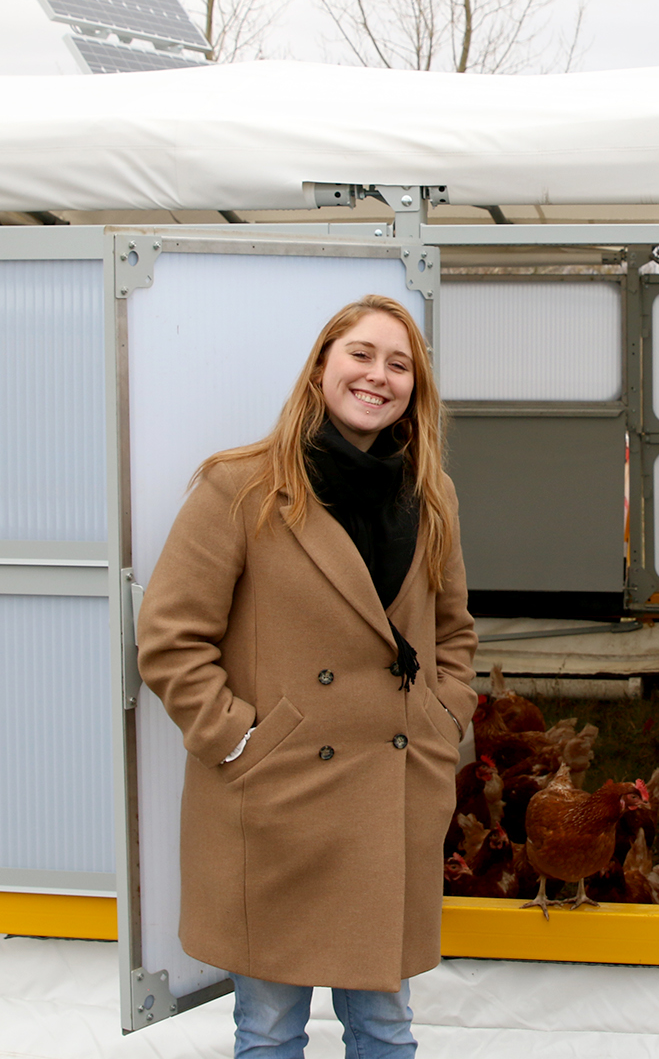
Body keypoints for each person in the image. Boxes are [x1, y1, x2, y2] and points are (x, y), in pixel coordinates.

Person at [137, 294, 478, 1059]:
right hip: (277, 801)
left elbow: (454, 632)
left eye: (400, 365)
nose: (378, 375)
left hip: (390, 799)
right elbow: (170, 637)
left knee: (386, 1028)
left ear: (415, 390)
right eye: (361, 354)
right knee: (269, 1030)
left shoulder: (430, 496)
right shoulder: (241, 487)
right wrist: (240, 740)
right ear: (322, 365)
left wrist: (442, 718)